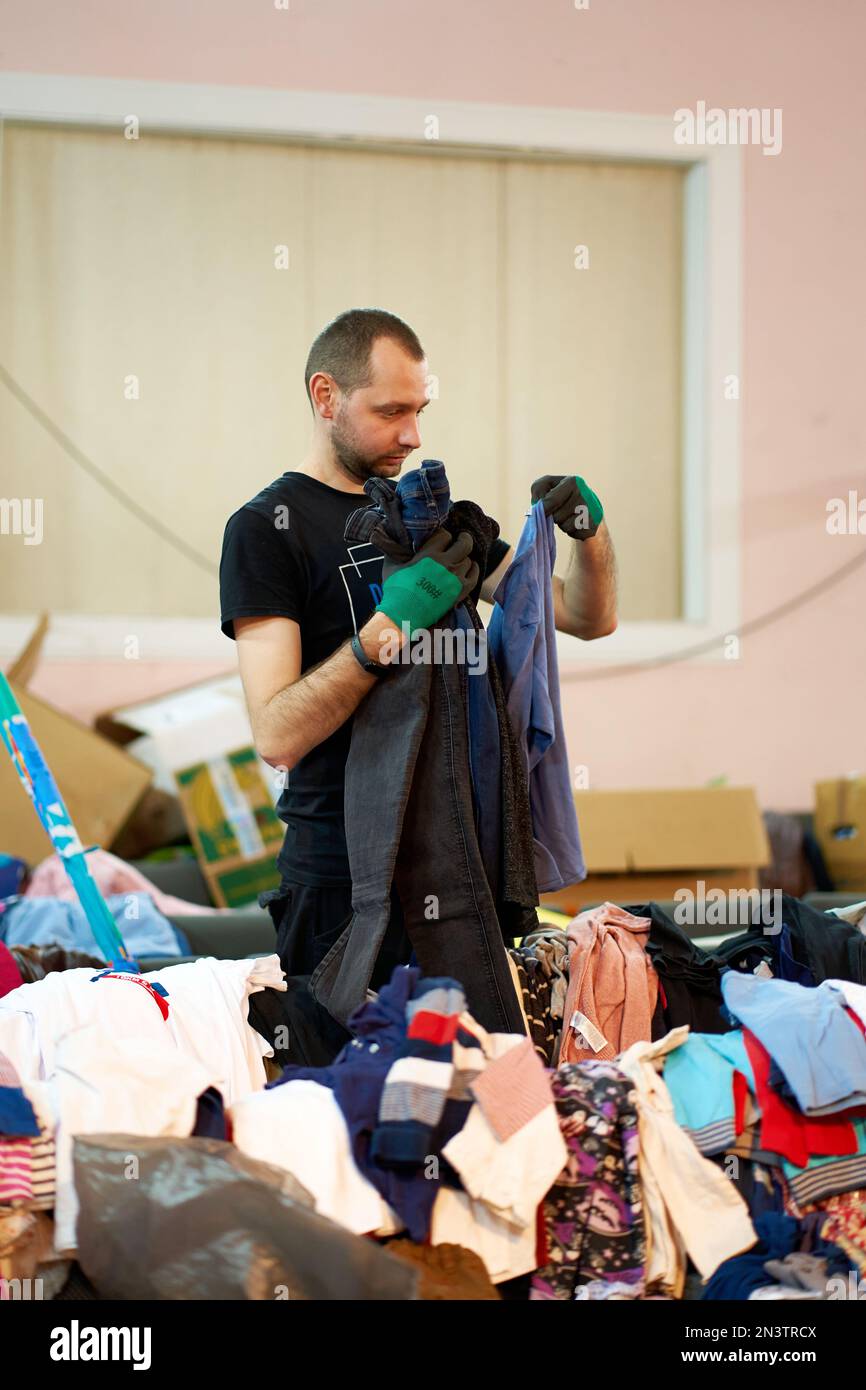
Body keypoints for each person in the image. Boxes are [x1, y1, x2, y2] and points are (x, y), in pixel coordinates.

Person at [219, 307, 618, 983]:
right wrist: (386, 632)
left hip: (457, 867)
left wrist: (592, 534)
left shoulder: (428, 525)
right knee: (351, 1084)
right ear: (326, 396)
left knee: (467, 1079)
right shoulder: (266, 530)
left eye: (420, 409)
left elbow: (583, 618)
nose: (412, 434)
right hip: (341, 887)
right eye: (390, 410)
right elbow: (277, 733)